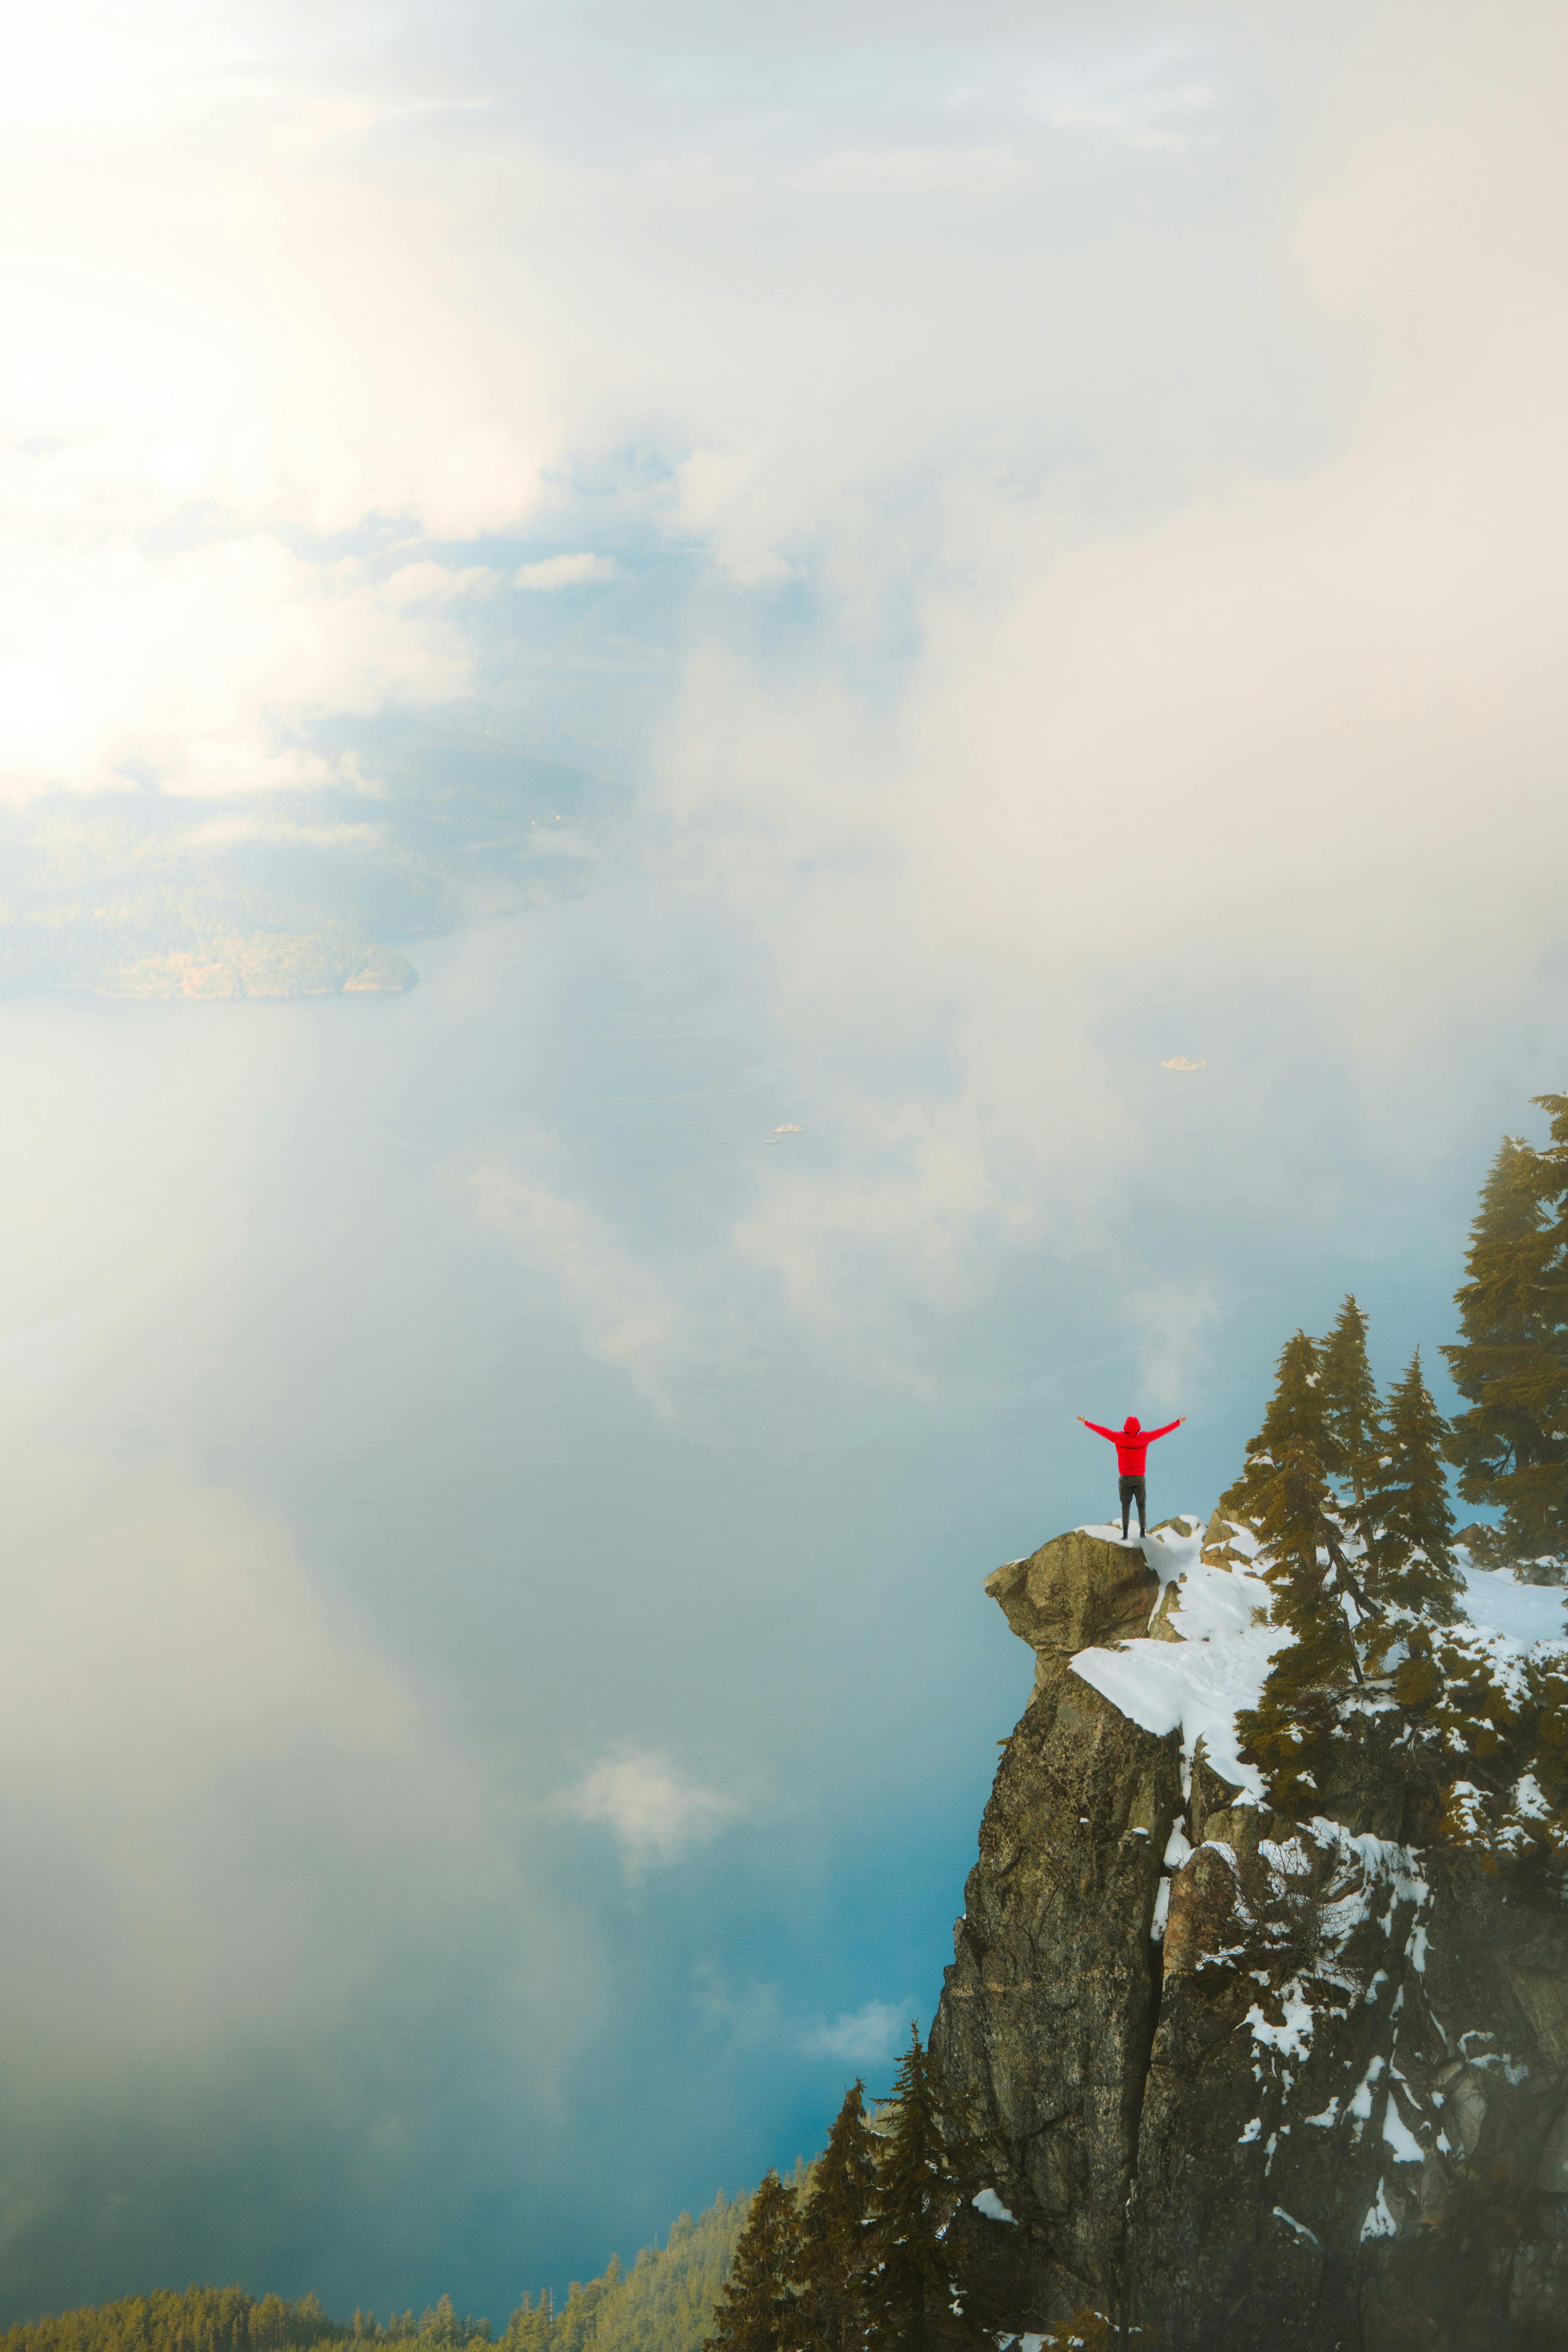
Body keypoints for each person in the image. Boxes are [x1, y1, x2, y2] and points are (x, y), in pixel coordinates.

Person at [1078, 1412, 1187, 1539]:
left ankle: (1125, 1533)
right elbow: (1162, 1431)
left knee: (1126, 1506)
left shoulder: (1118, 1437)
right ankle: (1143, 1532)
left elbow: (1102, 1430)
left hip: (1125, 1478)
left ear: (1125, 1427)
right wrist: (1178, 1423)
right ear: (1139, 1427)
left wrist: (1086, 1423)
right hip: (1140, 1478)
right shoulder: (1146, 1437)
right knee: (1141, 1505)